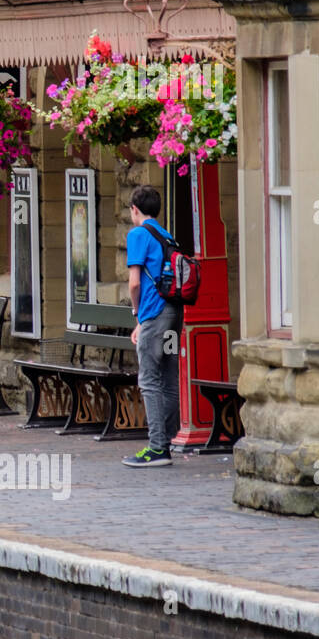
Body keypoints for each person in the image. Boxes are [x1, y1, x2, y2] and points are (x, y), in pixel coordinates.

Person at [124, 184, 183, 469]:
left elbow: (134, 282)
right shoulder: (166, 234)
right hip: (174, 314)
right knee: (169, 376)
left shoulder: (137, 234)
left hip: (154, 313)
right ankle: (168, 441)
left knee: (149, 379)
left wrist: (138, 315)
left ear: (135, 209)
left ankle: (157, 448)